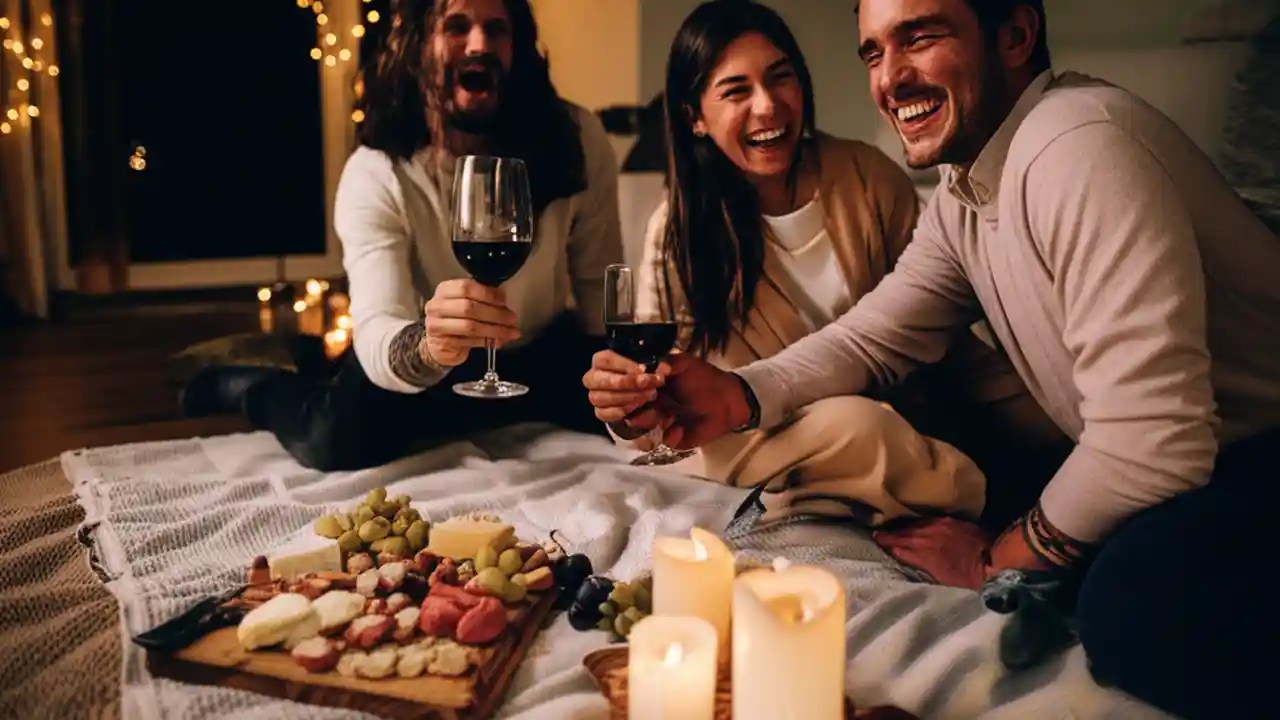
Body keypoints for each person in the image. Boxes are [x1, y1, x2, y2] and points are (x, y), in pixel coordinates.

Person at [599, 0, 1280, 716]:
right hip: (1192, 461)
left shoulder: (1079, 148)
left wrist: (1004, 556)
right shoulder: (967, 189)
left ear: (1015, 35)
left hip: (1252, 452)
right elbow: (873, 335)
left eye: (920, 37)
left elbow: (1154, 443)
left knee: (1128, 611)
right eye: (872, 53)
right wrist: (737, 392)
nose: (891, 78)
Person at [583, 0, 1063, 527]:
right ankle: (947, 491)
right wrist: (627, 412)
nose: (767, 107)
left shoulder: (869, 178)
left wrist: (1055, 424)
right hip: (761, 434)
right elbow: (664, 404)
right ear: (695, 118)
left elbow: (939, 327)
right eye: (736, 91)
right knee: (853, 425)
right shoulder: (674, 233)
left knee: (887, 425)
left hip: (899, 422)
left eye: (780, 78)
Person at [181, 0, 622, 471]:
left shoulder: (574, 136)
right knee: (331, 442)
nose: (480, 44)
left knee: (627, 414)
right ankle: (250, 386)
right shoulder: (376, 171)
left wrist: (622, 382)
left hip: (536, 351)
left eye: (497, 29)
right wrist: (431, 348)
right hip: (423, 360)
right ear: (416, 48)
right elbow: (378, 328)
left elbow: (601, 286)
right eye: (456, 27)